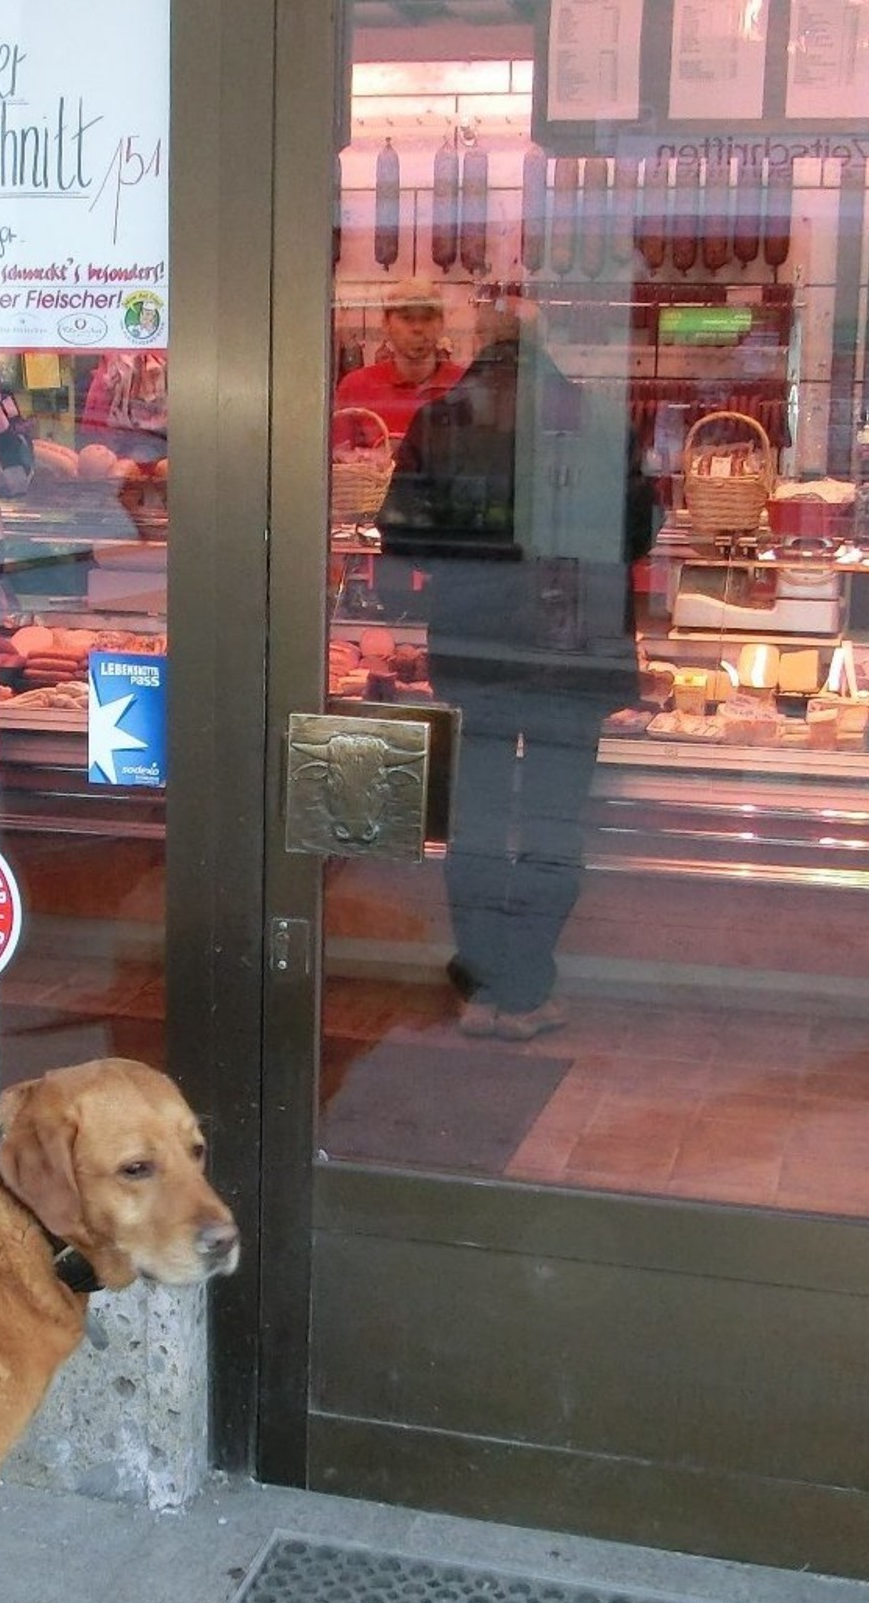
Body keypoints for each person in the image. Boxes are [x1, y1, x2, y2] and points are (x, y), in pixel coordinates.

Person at [375, 290, 657, 1042]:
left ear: (479, 346)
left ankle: (481, 982)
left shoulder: (442, 420)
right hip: (577, 654)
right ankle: (528, 988)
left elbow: (401, 539)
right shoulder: (602, 419)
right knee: (554, 825)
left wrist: (468, 567)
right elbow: (639, 534)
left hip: (476, 652)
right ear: (549, 344)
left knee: (478, 821)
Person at [335, 282, 463, 442]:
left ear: (441, 324)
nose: (418, 328)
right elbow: (340, 459)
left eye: (427, 318)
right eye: (407, 318)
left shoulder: (466, 384)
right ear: (386, 324)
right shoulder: (355, 388)